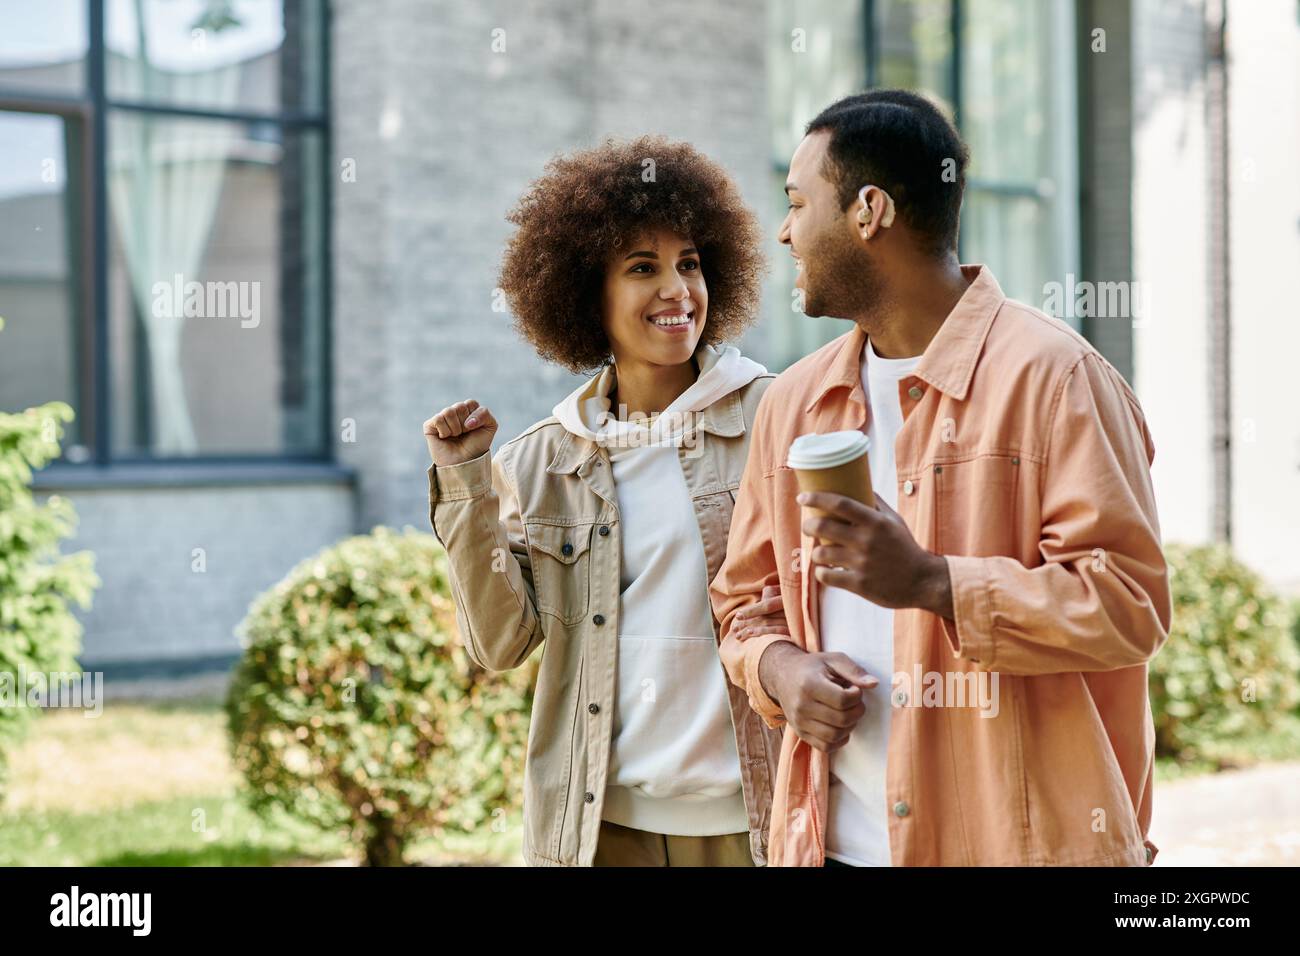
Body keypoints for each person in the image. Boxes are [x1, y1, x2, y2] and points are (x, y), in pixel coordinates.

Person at [711, 90, 1172, 866]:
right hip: (829, 850)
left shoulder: (1057, 378)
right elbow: (744, 607)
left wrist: (932, 582)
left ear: (869, 212)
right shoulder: (792, 403)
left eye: (797, 203)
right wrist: (779, 669)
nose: (784, 231)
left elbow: (1127, 606)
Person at [424, 136, 786, 867]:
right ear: (589, 293)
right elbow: (499, 645)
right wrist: (466, 483)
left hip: (751, 816)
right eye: (642, 268)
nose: (677, 289)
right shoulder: (544, 458)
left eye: (689, 263)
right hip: (598, 823)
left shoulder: (774, 418)